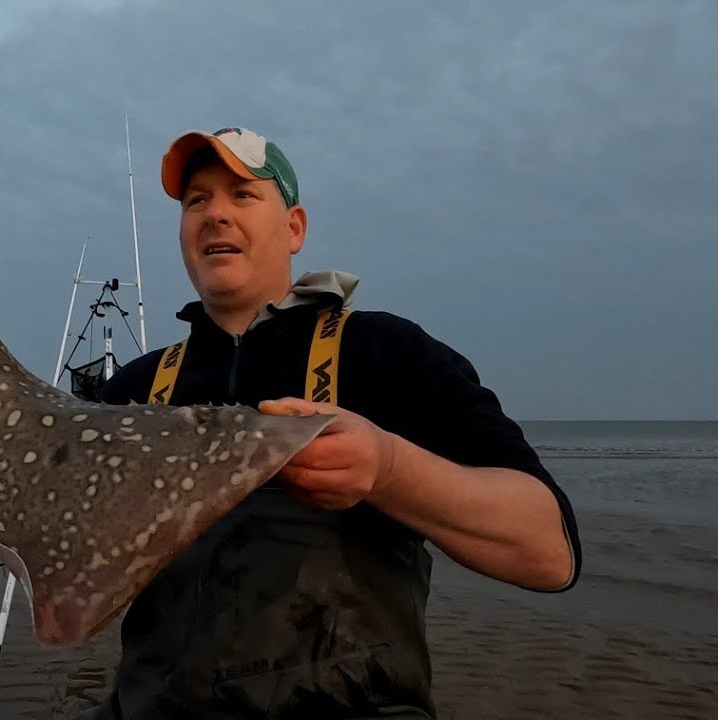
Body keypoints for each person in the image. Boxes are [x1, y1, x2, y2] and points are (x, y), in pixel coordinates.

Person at [76, 127, 582, 719]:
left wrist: (388, 469)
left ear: (294, 228)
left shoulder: (385, 352)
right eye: (196, 201)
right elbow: (75, 588)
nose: (215, 214)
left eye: (242, 195)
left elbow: (549, 553)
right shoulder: (136, 391)